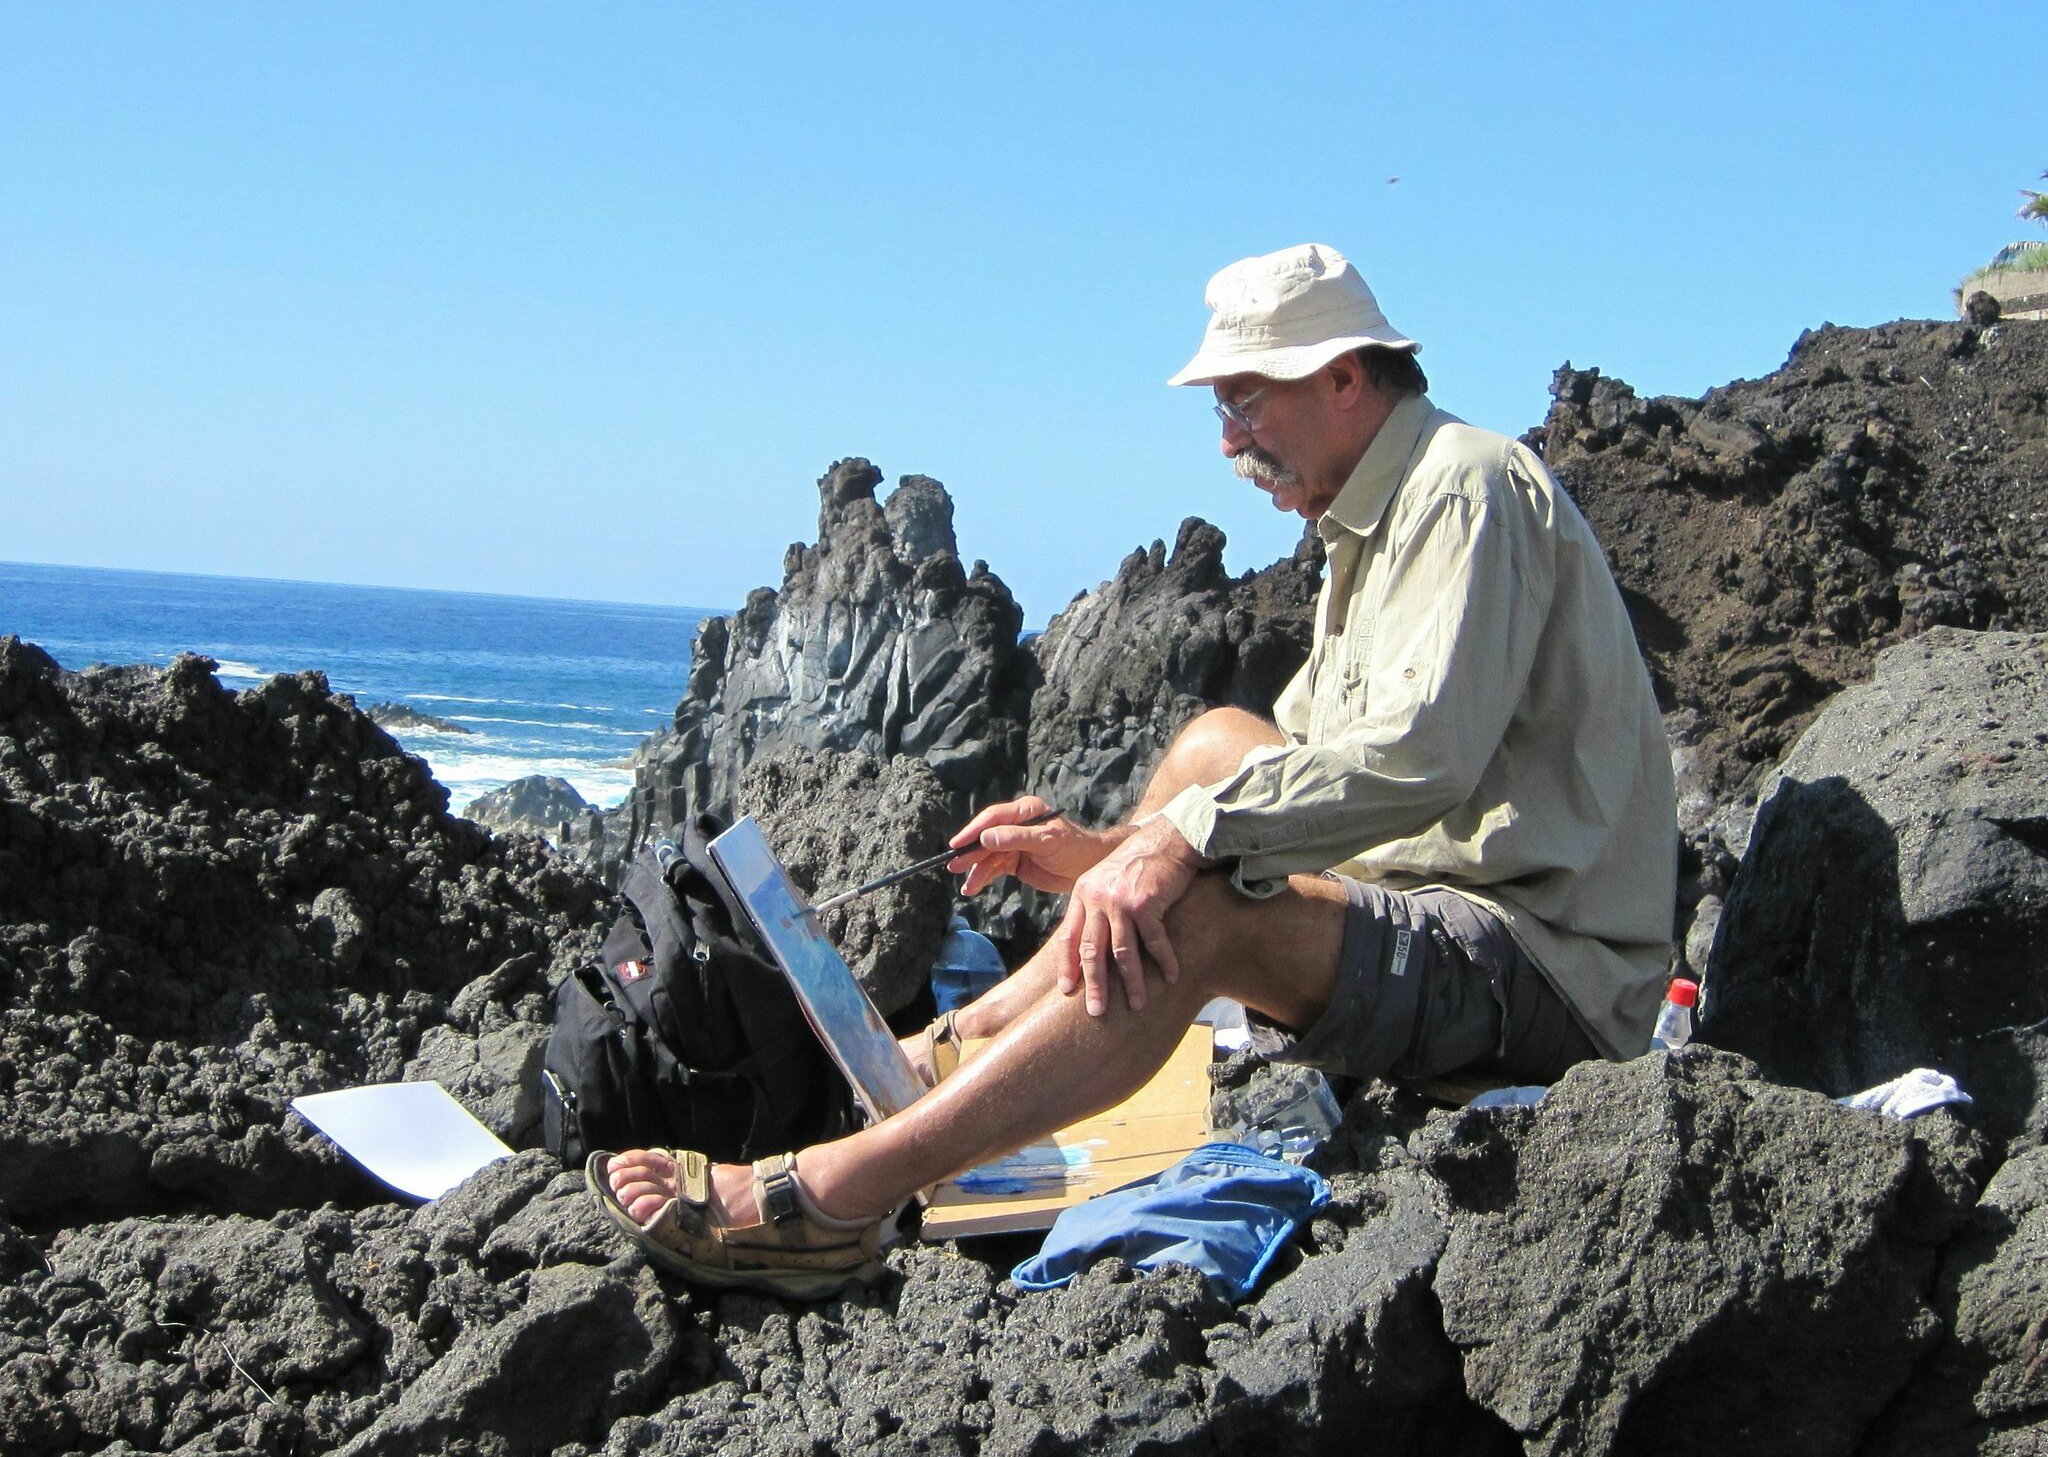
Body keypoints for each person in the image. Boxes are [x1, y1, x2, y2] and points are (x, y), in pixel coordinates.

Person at [590, 242, 1677, 1298]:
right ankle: (955, 1052)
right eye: (1221, 411)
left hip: (1546, 976)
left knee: (1199, 915)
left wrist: (1172, 848)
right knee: (1211, 743)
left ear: (1344, 378)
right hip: (1435, 903)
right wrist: (1099, 852)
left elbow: (1416, 762)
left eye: (1243, 403)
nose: (1227, 443)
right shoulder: (1373, 517)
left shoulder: (1463, 488)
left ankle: (835, 1198)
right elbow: (1299, 768)